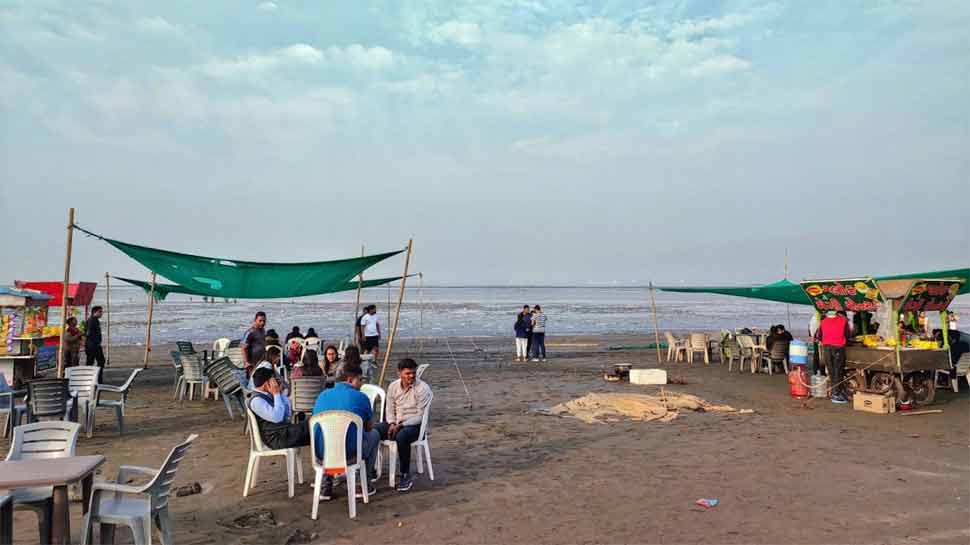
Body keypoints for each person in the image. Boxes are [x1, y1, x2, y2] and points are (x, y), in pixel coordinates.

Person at [312, 363, 379, 501]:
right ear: (350, 379)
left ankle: (326, 486)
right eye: (359, 380)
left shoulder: (322, 395)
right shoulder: (361, 397)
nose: (361, 384)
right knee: (374, 435)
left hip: (320, 454)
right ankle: (363, 484)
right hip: (348, 454)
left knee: (327, 438)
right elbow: (368, 427)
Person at [376, 358, 432, 492]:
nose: (411, 376)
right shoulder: (393, 386)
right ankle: (372, 469)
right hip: (395, 422)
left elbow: (420, 416)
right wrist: (392, 423)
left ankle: (405, 474)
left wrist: (402, 425)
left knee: (402, 436)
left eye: (413, 373)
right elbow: (389, 409)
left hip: (414, 425)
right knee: (373, 430)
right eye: (407, 373)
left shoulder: (422, 388)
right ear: (399, 373)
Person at [249, 368, 309, 449]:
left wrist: (279, 393)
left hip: (284, 433)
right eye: (274, 380)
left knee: (314, 426)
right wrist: (276, 394)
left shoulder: (268, 395)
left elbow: (288, 415)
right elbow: (277, 418)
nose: (276, 383)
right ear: (267, 383)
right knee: (313, 425)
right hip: (276, 438)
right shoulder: (256, 401)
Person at [820, 310, 849, 404]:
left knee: (831, 370)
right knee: (838, 370)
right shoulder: (843, 320)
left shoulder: (823, 321)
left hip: (826, 348)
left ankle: (835, 392)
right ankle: (836, 394)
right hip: (838, 348)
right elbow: (848, 334)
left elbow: (819, 335)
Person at [241, 312, 268, 376]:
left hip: (261, 362)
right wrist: (246, 363)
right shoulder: (250, 332)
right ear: (255, 320)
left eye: (264, 321)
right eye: (260, 321)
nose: (262, 323)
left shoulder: (263, 330)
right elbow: (243, 348)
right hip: (252, 363)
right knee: (252, 382)